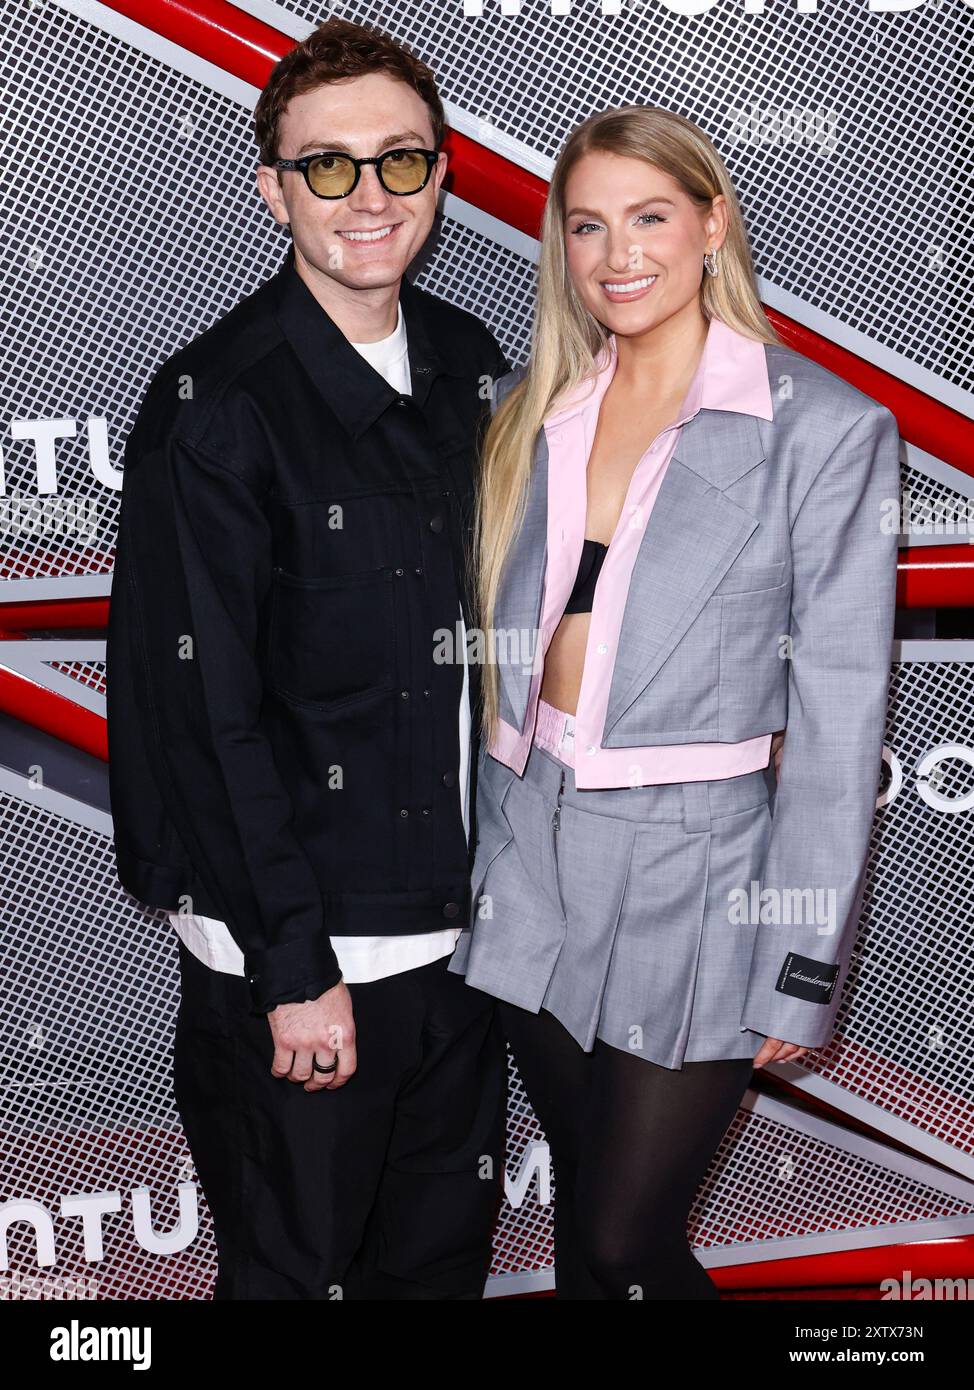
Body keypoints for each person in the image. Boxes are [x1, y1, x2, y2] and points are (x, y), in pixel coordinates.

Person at [450, 104, 900, 1300]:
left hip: (705, 879)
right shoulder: (530, 412)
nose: (617, 254)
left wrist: (797, 966)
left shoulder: (824, 431)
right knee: (597, 1240)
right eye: (586, 226)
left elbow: (841, 716)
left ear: (711, 224)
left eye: (648, 216)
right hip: (533, 856)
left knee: (615, 1241)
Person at [105, 17, 510, 1299]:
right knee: (289, 1281)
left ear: (440, 177)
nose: (370, 197)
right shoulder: (217, 405)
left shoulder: (470, 364)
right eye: (328, 167)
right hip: (308, 964)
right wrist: (293, 972)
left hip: (460, 944)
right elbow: (198, 709)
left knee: (435, 1273)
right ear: (274, 186)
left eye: (400, 161)